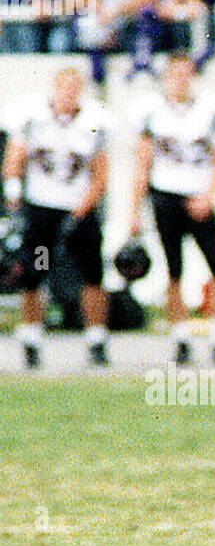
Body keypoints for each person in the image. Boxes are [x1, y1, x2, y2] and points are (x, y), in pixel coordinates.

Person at [128, 53, 215, 366]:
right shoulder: (151, 112)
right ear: (166, 77)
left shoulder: (211, 110)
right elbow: (142, 164)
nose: (180, 80)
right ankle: (180, 338)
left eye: (185, 74)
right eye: (175, 74)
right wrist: (133, 212)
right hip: (165, 196)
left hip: (198, 195)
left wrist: (207, 196)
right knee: (174, 271)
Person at [1, 67, 112, 370]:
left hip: (79, 210)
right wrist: (13, 195)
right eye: (63, 87)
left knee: (92, 274)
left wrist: (81, 210)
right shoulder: (33, 119)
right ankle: (32, 339)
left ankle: (96, 340)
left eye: (74, 87)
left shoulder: (94, 123)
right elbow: (14, 158)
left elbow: (100, 173)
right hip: (42, 210)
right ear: (54, 88)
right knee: (36, 272)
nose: (68, 93)